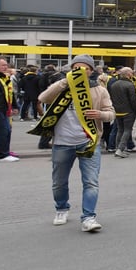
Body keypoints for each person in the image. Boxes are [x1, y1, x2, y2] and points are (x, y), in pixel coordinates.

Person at [35, 54, 115, 232]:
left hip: (89, 141)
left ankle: (88, 217)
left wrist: (100, 114)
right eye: (76, 68)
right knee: (59, 182)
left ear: (91, 71)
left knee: (91, 182)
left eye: (85, 68)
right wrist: (65, 81)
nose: (80, 71)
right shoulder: (63, 87)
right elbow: (43, 98)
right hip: (62, 142)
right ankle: (61, 208)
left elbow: (111, 113)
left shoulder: (99, 90)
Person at [107, 67, 136, 158]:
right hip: (128, 110)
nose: (132, 74)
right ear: (128, 74)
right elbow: (133, 99)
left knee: (120, 130)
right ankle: (120, 149)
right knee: (127, 130)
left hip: (117, 110)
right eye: (131, 73)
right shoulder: (130, 85)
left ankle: (118, 148)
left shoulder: (114, 84)